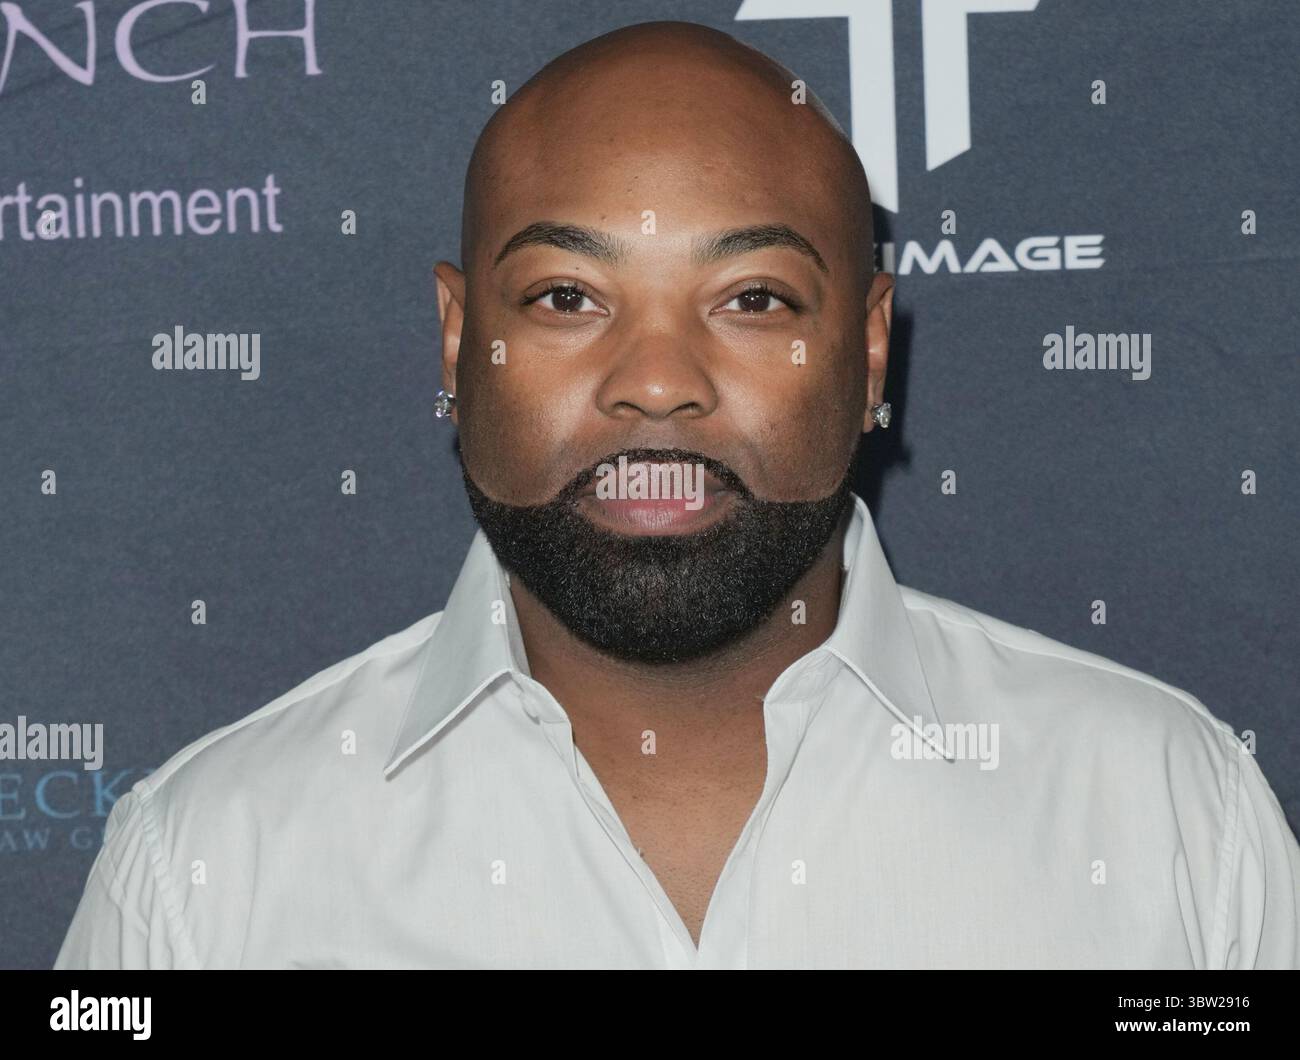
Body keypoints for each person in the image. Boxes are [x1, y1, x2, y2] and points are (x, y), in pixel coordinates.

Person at [55, 19, 1300, 969]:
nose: (655, 383)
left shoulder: (1165, 817)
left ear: (869, 353)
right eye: (565, 299)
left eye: (752, 299)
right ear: (455, 344)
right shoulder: (202, 877)